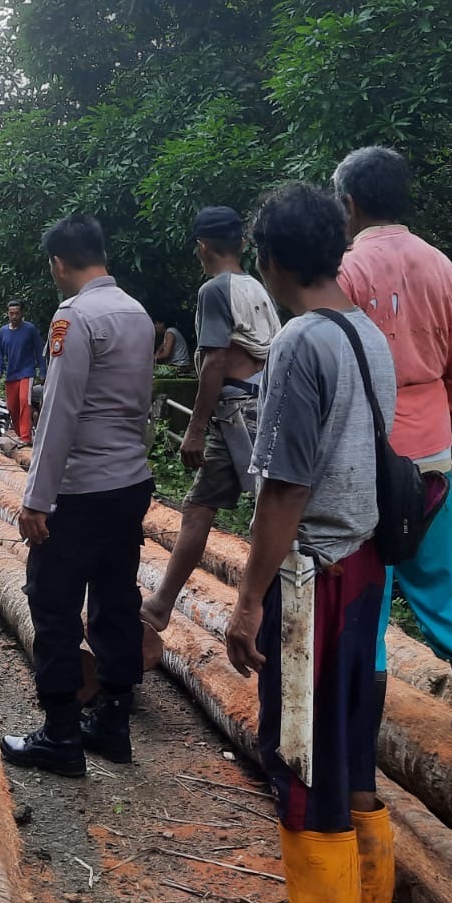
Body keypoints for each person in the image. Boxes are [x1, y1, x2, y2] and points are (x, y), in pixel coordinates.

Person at [223, 182, 395, 903]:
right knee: (353, 756)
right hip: (365, 569)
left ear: (270, 260)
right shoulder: (368, 334)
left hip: (312, 578)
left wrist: (247, 599)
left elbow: (285, 492)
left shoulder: (299, 343)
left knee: (301, 758)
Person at [334, 146, 452, 758]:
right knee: (446, 578)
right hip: (432, 454)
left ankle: (359, 748)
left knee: (367, 589)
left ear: (350, 204)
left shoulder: (347, 271)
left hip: (370, 456)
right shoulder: (440, 266)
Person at [0, 215, 154, 776]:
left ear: (59, 263)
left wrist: (37, 498)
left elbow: (60, 413)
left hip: (81, 490)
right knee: (116, 599)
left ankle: (61, 732)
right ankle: (113, 719)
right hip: (130, 482)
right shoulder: (136, 313)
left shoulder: (74, 317)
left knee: (55, 604)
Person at [142, 206, 281, 631]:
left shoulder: (214, 291)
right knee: (217, 507)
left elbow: (217, 361)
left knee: (227, 510)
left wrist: (195, 428)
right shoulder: (257, 288)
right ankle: (163, 604)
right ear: (241, 243)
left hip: (236, 412)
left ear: (202, 246)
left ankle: (171, 606)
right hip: (264, 405)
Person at [0, 299, 47, 445]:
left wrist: (42, 372)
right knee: (12, 407)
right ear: (8, 314)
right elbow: (0, 353)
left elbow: (39, 351)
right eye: (11, 313)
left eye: (17, 313)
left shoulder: (30, 329)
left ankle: (25, 437)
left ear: (22, 313)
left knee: (25, 401)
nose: (14, 316)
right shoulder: (3, 332)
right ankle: (20, 433)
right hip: (11, 373)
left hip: (26, 372)